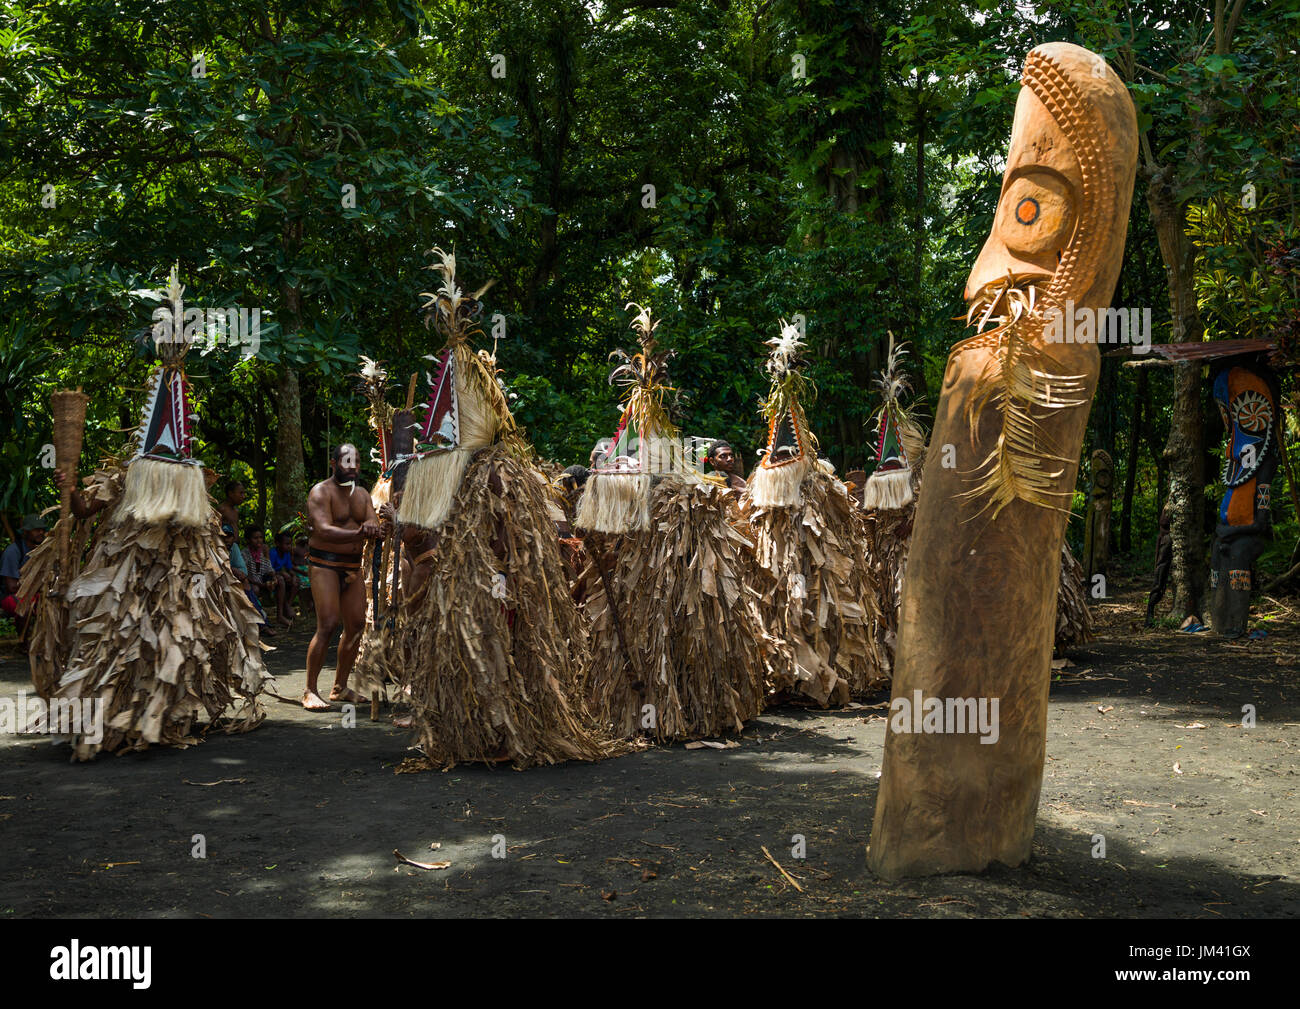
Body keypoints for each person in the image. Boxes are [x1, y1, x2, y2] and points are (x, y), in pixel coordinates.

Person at [303, 443, 381, 711]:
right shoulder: (320, 492)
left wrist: (377, 527)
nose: (353, 467)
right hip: (324, 564)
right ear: (333, 463)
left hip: (352, 566)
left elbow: (374, 523)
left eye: (356, 462)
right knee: (327, 624)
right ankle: (310, 690)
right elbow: (324, 529)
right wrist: (360, 533)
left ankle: (339, 687)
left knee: (357, 625)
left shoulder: (362, 495)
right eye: (346, 461)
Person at [1, 514, 47, 632]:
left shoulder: (44, 551)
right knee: (24, 609)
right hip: (10, 596)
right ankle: (23, 643)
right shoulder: (13, 551)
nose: (41, 532)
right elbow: (11, 587)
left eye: (42, 529)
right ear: (25, 532)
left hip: (33, 593)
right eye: (36, 530)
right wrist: (37, 586)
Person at [269, 531, 298, 625]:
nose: (289, 546)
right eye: (287, 544)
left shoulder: (286, 554)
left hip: (279, 575)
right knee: (281, 580)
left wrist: (293, 576)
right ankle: (280, 615)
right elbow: (269, 570)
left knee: (296, 581)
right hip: (270, 576)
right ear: (278, 543)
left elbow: (289, 568)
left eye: (290, 544)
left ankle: (287, 606)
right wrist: (281, 573)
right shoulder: (272, 553)